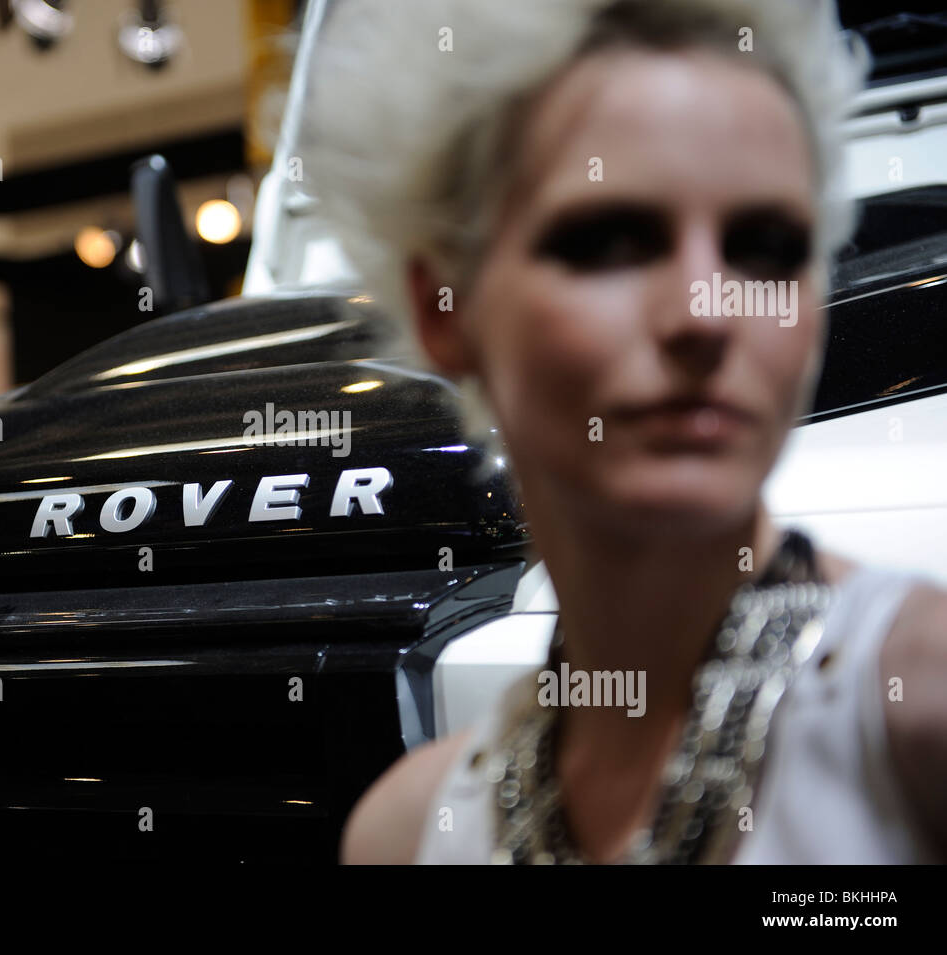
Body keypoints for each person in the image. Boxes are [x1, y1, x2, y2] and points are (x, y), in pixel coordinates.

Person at [298, 0, 947, 863]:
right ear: (441, 306)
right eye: (610, 241)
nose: (705, 312)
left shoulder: (916, 715)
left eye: (766, 246)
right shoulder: (408, 834)